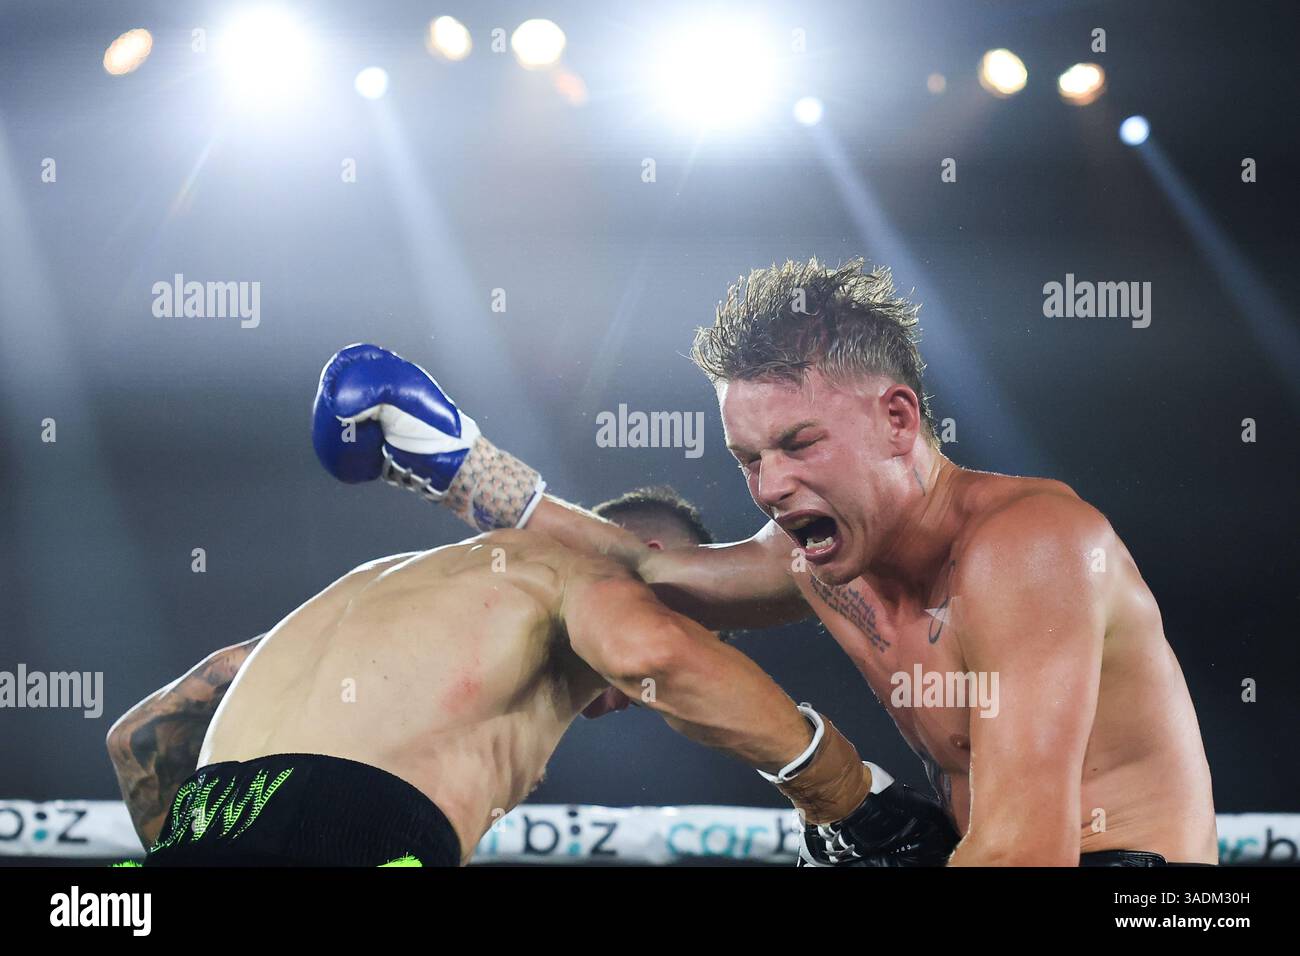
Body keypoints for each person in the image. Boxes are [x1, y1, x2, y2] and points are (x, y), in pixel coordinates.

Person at [312, 257, 1217, 866]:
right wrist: (459, 464)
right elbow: (646, 568)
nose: (772, 486)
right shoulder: (819, 556)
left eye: (798, 444)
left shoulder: (1032, 549)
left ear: (897, 420)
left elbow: (1024, 852)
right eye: (749, 460)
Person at [106, 493, 886, 866]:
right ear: (644, 558)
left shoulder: (376, 587)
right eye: (697, 626)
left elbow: (140, 737)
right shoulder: (580, 566)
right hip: (350, 832)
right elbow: (656, 656)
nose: (624, 706)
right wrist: (848, 796)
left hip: (194, 836)